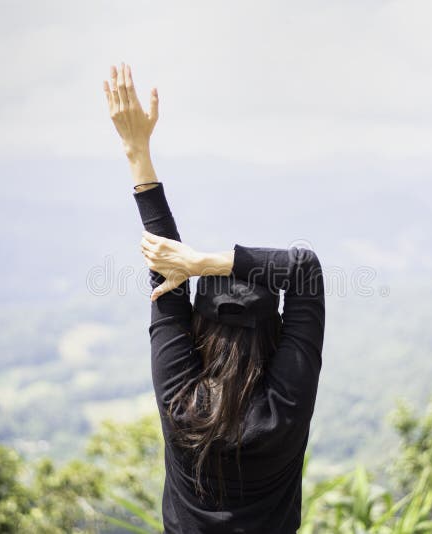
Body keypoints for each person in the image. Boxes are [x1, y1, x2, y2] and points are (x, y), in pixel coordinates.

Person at [103, 62, 326, 534]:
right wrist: (203, 261)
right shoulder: (284, 406)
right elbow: (304, 267)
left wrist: (136, 149)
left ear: (197, 330)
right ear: (277, 332)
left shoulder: (183, 401)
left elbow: (164, 268)